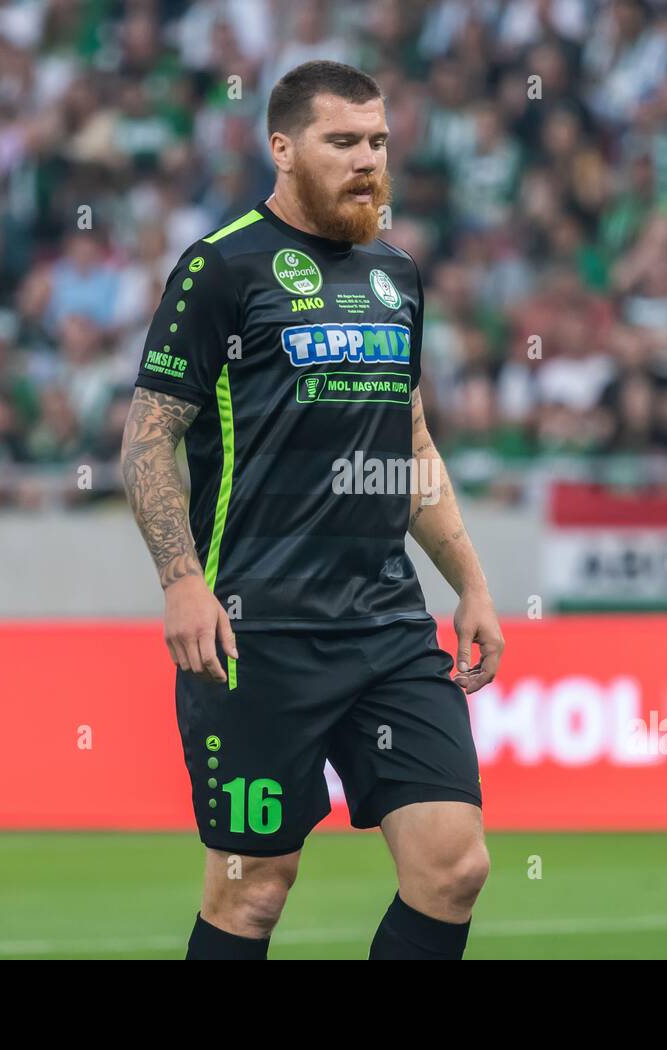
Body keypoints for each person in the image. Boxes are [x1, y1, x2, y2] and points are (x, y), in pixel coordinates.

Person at [120, 61, 502, 961]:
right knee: (252, 894)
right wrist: (182, 583)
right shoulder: (221, 268)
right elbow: (145, 441)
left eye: (377, 142)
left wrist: (474, 586)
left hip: (387, 629)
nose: (367, 161)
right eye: (343, 143)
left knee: (455, 868)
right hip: (257, 634)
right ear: (283, 148)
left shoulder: (396, 274)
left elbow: (410, 449)